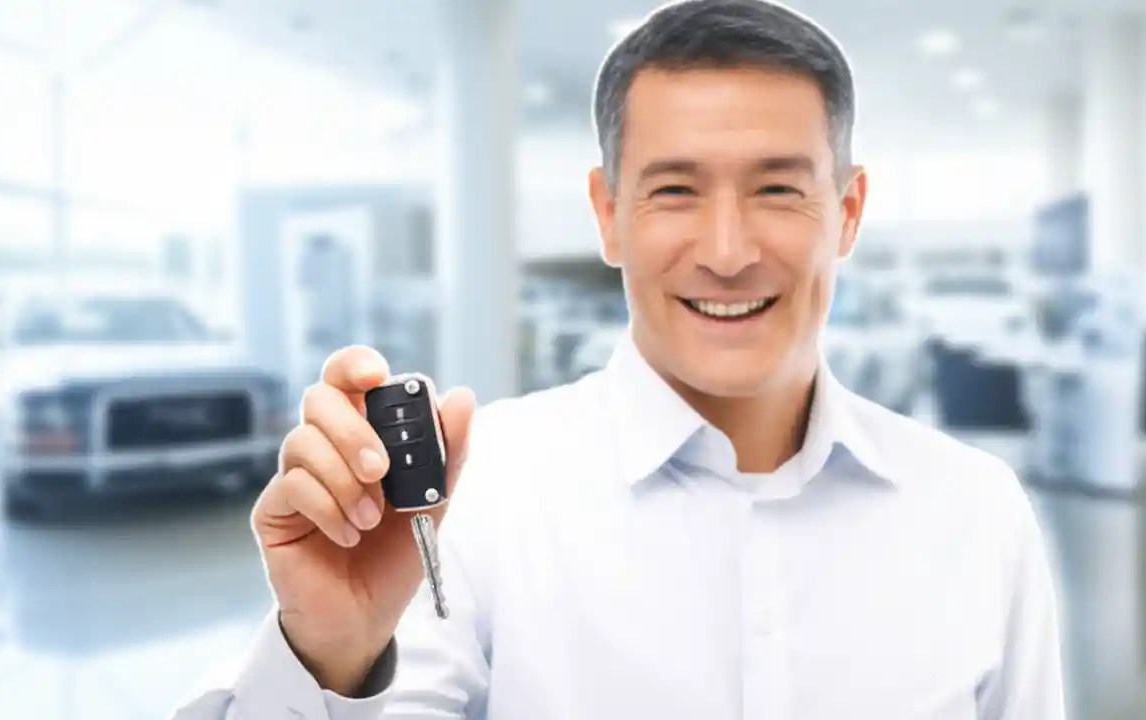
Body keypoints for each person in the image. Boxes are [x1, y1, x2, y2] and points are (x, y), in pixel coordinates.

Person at [174, 1, 1065, 718]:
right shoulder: (473, 502)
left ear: (850, 211)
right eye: (675, 191)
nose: (725, 250)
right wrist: (331, 659)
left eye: (778, 190)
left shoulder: (976, 513)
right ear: (607, 215)